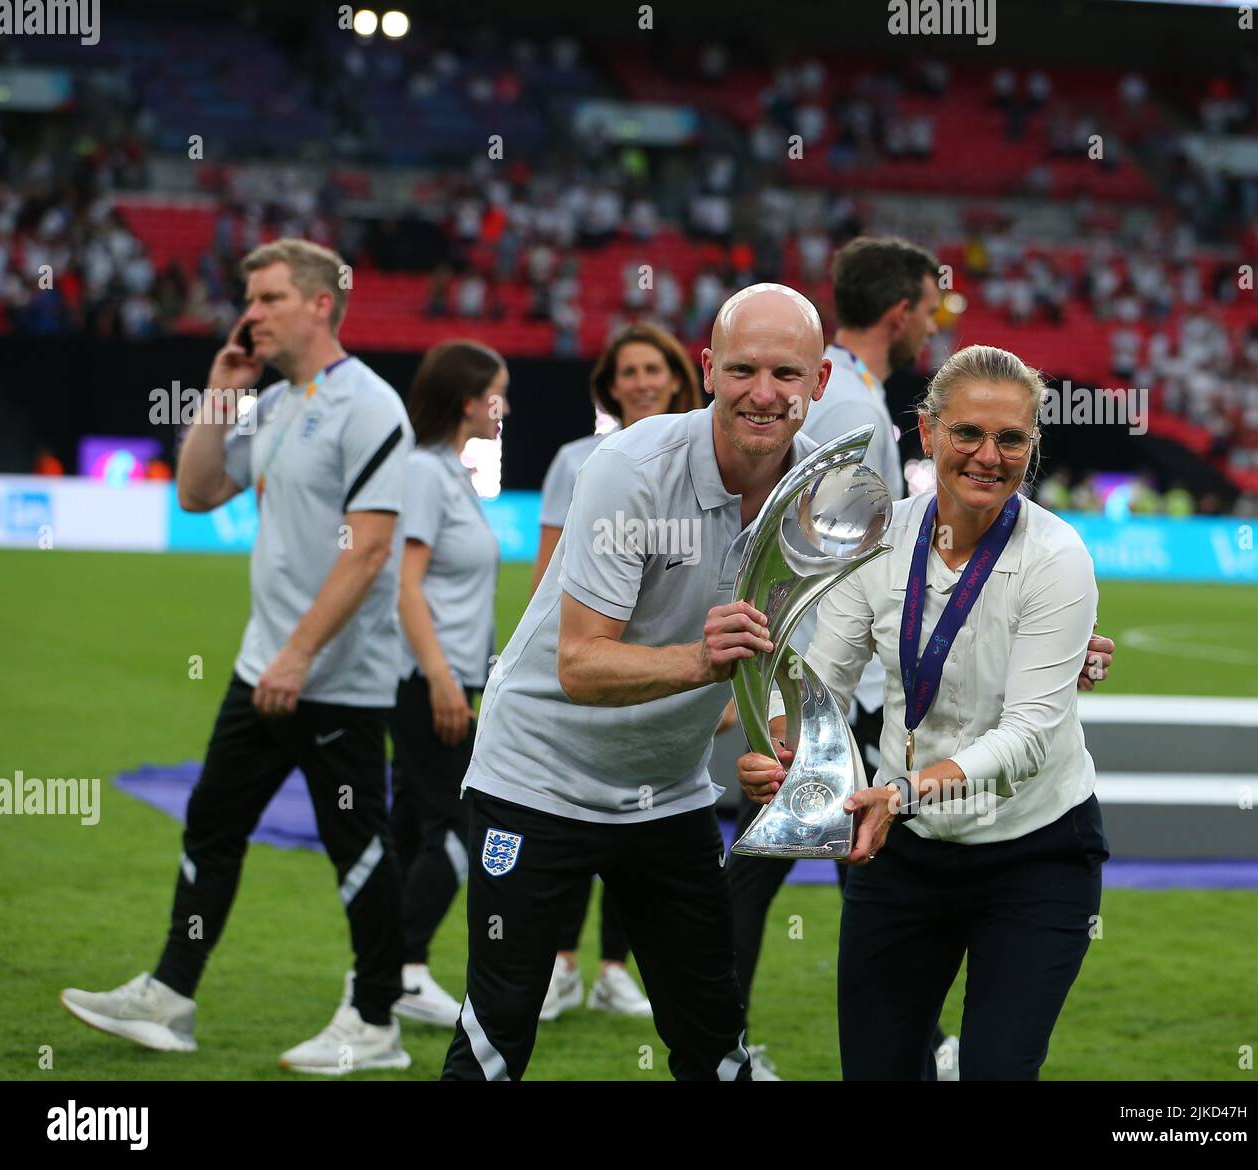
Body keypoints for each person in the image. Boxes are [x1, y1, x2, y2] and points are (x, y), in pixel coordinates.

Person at [727, 237, 1116, 1080]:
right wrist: (789, 752)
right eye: (968, 432)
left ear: (1034, 444)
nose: (988, 455)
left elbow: (1030, 738)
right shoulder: (880, 539)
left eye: (1011, 439)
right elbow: (825, 675)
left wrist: (902, 790)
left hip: (1034, 852)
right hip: (903, 853)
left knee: (996, 1069)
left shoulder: (1057, 557)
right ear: (927, 430)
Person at [440, 284, 828, 1080]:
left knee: (714, 1040)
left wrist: (776, 744)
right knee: (498, 1034)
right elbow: (580, 663)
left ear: (819, 382)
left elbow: (790, 647)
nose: (764, 393)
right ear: (709, 368)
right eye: (744, 369)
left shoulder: (819, 486)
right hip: (534, 781)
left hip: (666, 792)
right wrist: (702, 661)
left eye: (787, 374)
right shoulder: (632, 467)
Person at [60, 239, 415, 1074]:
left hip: (337, 679)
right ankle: (171, 998)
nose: (249, 313)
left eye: (267, 298)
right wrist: (220, 397)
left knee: (357, 849)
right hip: (267, 667)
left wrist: (298, 657)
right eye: (248, 297)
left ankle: (375, 1024)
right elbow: (195, 493)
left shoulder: (370, 406)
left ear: (321, 304)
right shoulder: (280, 400)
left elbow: (366, 552)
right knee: (212, 826)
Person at [531, 322, 703, 1020]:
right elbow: (547, 571)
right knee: (573, 814)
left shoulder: (704, 463)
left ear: (674, 377)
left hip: (662, 670)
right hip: (591, 661)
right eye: (626, 371)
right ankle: (562, 963)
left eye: (651, 369)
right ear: (611, 384)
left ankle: (613, 968)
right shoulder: (577, 460)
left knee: (641, 822)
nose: (639, 381)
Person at [389, 341, 508, 1028]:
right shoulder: (425, 473)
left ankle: (391, 972)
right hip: (428, 682)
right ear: (468, 399)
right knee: (465, 829)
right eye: (499, 392)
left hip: (450, 679)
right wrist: (441, 678)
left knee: (414, 826)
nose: (506, 407)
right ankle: (394, 968)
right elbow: (406, 587)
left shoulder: (450, 474)